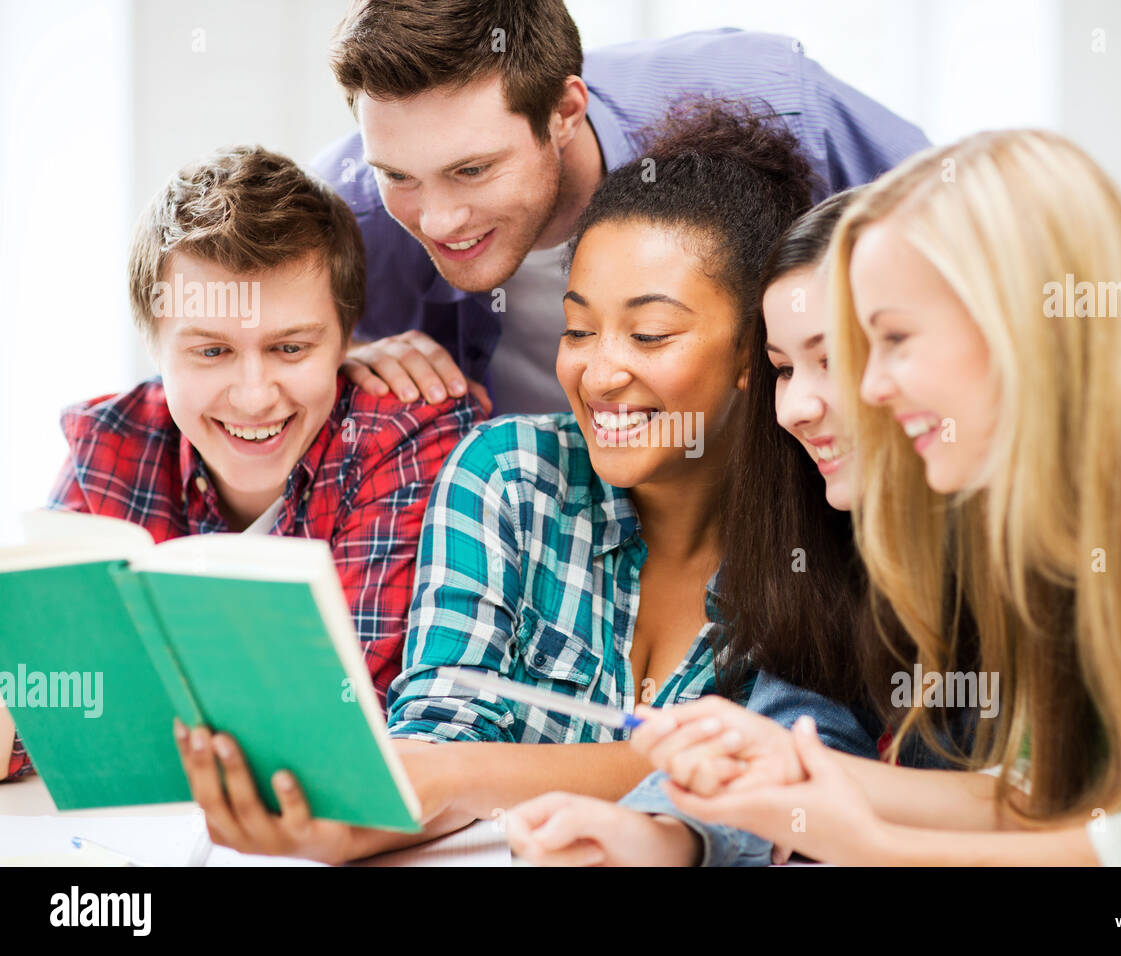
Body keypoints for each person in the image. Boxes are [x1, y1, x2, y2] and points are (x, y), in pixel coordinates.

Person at [605, 129, 1121, 866]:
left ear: (1013, 319)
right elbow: (1044, 794)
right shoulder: (1042, 491)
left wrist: (870, 846)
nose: (871, 389)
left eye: (891, 341)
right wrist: (795, 767)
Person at [173, 99, 818, 864]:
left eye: (648, 334)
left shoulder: (817, 540)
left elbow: (784, 771)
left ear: (756, 347)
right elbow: (439, 734)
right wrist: (345, 821)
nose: (600, 373)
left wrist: (454, 777)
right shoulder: (507, 476)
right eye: (578, 329)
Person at [505, 190, 978, 866]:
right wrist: (659, 837)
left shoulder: (1070, 547)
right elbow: (805, 733)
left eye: (837, 358)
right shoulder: (841, 536)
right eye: (785, 368)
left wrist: (872, 841)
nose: (798, 407)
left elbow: (1089, 821)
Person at [1, 145, 480, 783]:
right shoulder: (110, 441)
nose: (254, 395)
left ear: (348, 337)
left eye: (290, 347)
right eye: (212, 351)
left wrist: (107, 701)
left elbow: (335, 721)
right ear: (153, 344)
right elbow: (36, 703)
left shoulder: (402, 438)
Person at [314, 0, 929, 415]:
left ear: (564, 113)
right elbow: (236, 354)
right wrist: (330, 357)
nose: (438, 220)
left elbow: (977, 248)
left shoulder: (772, 101)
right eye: (398, 175)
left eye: (472, 171)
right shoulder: (348, 214)